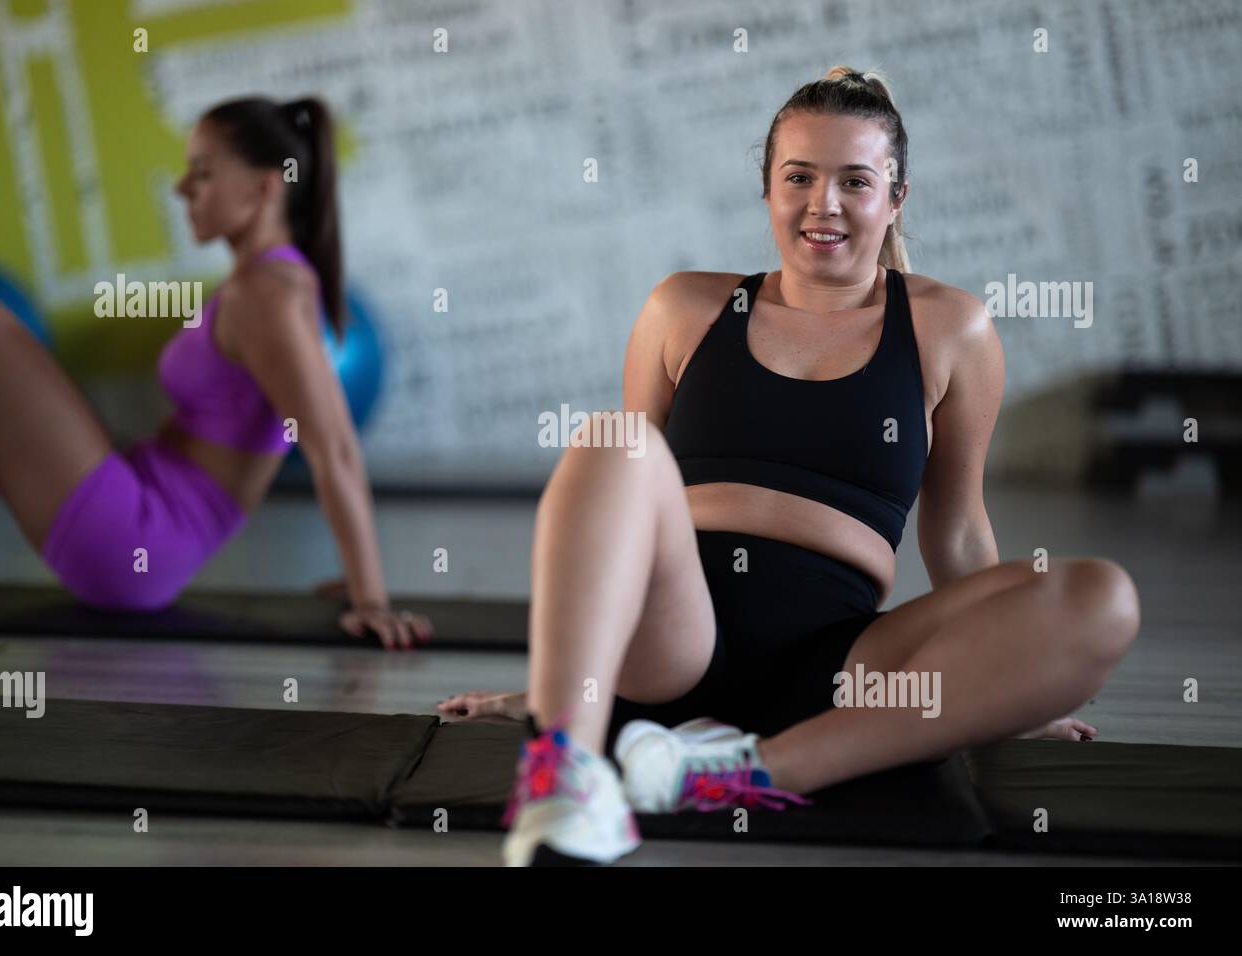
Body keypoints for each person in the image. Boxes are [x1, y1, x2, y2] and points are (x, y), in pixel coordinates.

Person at [441, 67, 1138, 865]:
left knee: (1101, 597)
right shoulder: (684, 307)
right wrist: (561, 686)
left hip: (836, 671)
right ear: (768, 188)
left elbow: (960, 533)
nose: (824, 204)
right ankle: (562, 769)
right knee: (614, 441)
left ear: (896, 197)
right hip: (674, 645)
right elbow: (614, 508)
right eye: (799, 177)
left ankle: (735, 770)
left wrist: (1007, 677)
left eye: (855, 181)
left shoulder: (953, 328)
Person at [0, 96, 430, 649]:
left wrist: (371, 599)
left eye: (203, 172)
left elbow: (335, 448)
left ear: (266, 186)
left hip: (138, 537)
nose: (182, 189)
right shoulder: (268, 281)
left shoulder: (268, 294)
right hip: (140, 510)